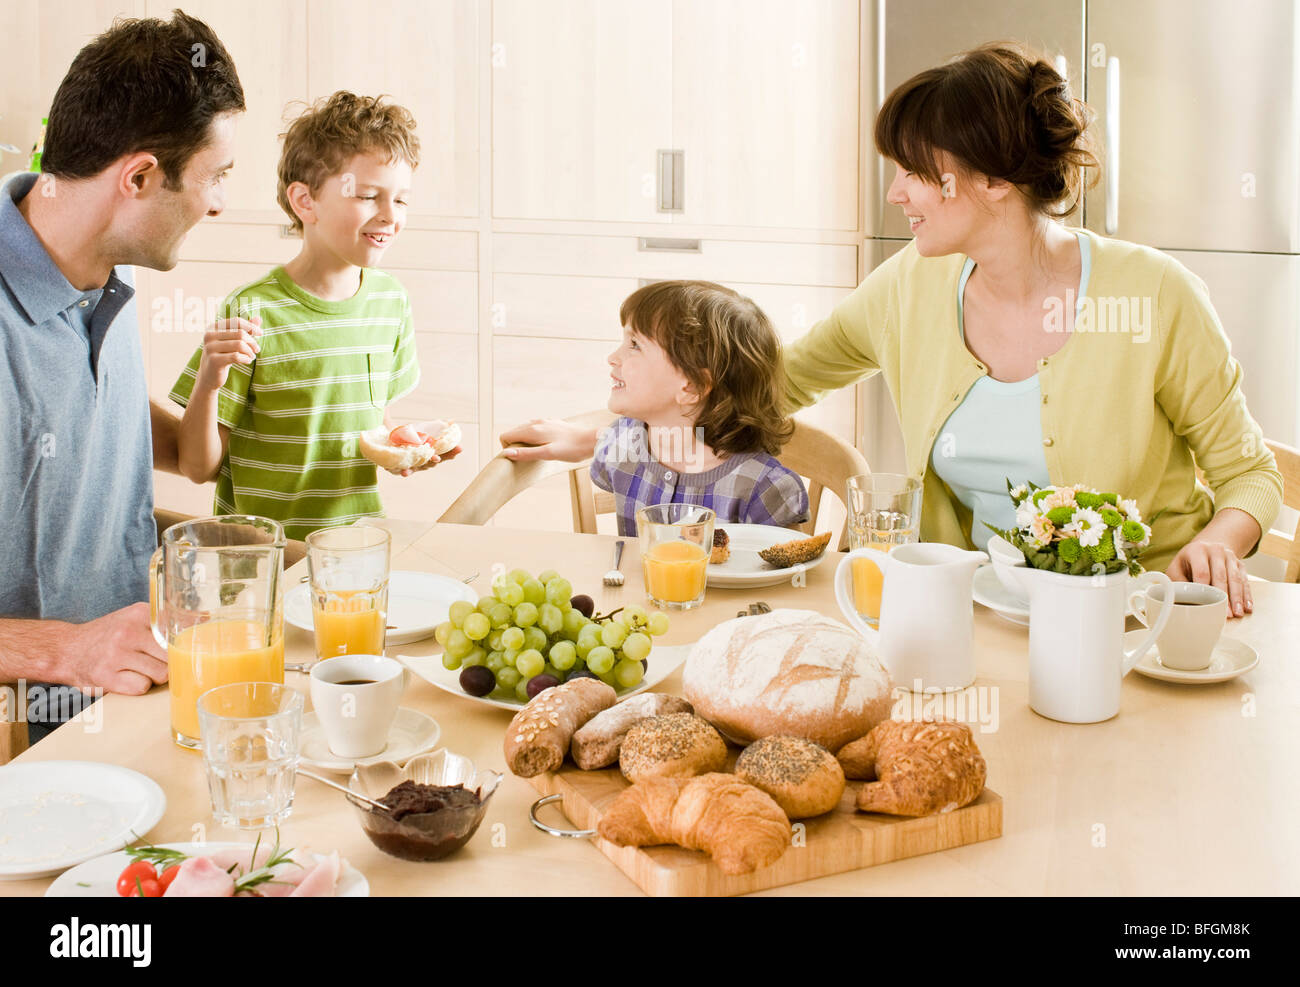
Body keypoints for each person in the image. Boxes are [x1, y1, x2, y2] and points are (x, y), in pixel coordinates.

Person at [500, 44, 1281, 619]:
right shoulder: (913, 282)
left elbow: (1250, 476)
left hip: (1133, 623)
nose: (895, 191)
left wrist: (1221, 538)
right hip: (964, 616)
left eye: (913, 169)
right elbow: (756, 381)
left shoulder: (1155, 295)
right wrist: (593, 428)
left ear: (993, 180)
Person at [0, 11, 245, 738]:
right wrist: (68, 648)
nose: (220, 202)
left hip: (139, 698)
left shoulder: (98, 277)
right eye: (216, 177)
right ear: (139, 176)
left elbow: (98, 431)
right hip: (34, 743)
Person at [169, 91, 454, 541]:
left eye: (401, 201)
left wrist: (404, 443)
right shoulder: (254, 310)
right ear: (305, 202)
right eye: (368, 196)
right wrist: (208, 382)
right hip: (263, 559)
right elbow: (197, 467)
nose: (389, 216)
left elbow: (370, 421)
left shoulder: (391, 303)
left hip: (354, 549)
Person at [585, 280, 808, 536]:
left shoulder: (765, 489)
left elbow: (788, 572)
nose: (612, 357)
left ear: (692, 386)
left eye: (635, 345)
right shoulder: (621, 441)